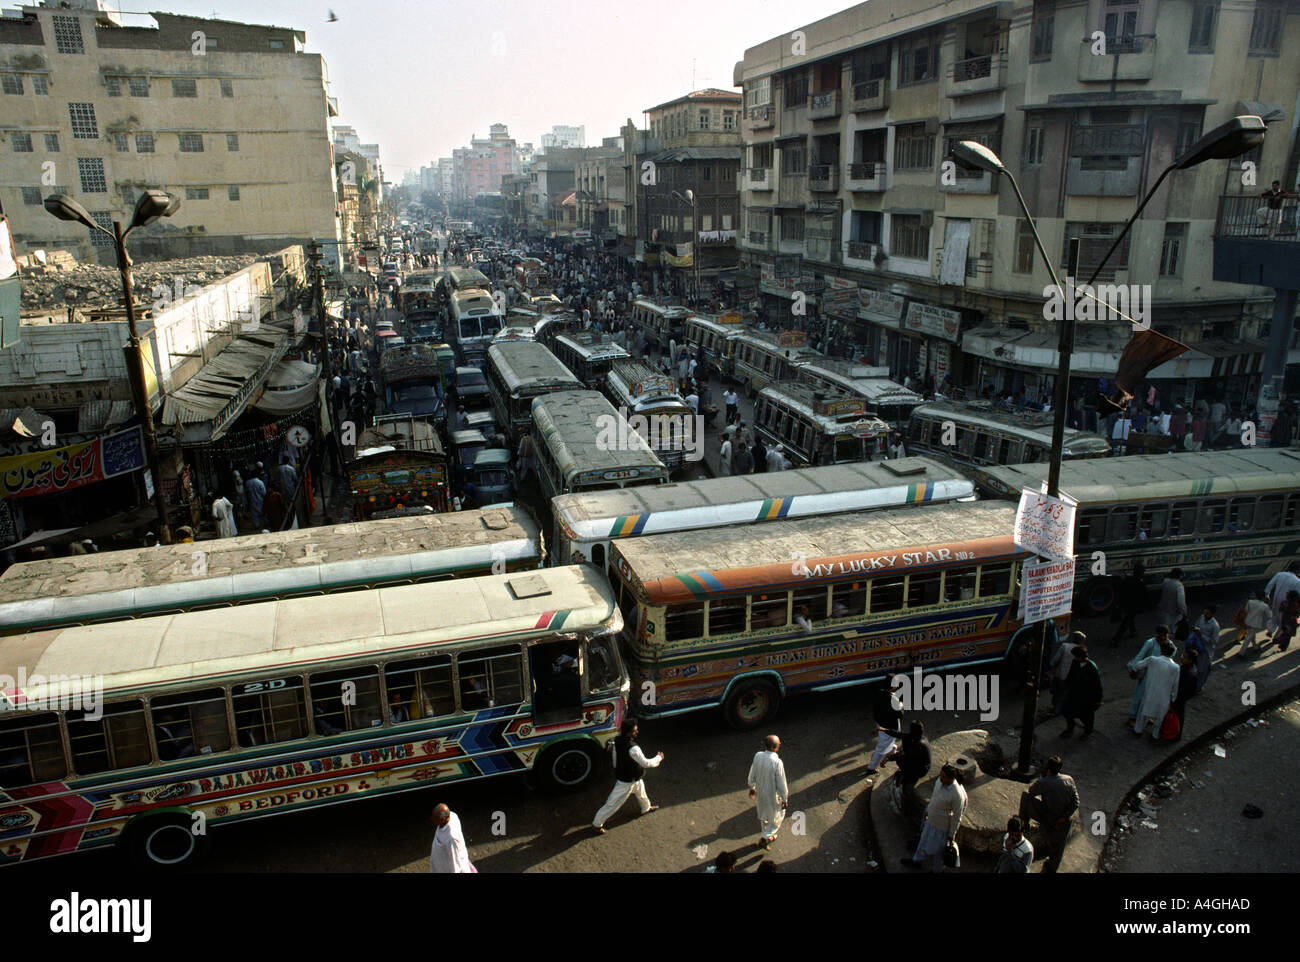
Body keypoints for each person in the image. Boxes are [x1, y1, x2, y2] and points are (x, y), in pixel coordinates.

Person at [592, 718, 663, 834]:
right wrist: (659, 758)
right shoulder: (633, 748)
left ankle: (646, 808)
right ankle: (596, 824)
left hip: (633, 777)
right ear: (629, 733)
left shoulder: (617, 740)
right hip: (627, 780)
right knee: (613, 803)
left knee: (641, 792)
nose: (637, 732)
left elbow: (615, 757)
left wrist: (617, 769)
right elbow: (646, 763)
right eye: (635, 730)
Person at [900, 763, 967, 872]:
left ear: (951, 778)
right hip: (930, 820)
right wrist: (928, 810)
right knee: (923, 841)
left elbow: (957, 816)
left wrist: (951, 834)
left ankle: (937, 870)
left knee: (938, 852)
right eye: (941, 775)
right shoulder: (939, 782)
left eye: (944, 777)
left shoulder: (957, 795)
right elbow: (934, 798)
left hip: (941, 827)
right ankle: (916, 861)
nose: (941, 778)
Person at [1018, 756, 1078, 873]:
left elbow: (1031, 791)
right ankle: (1051, 868)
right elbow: (1076, 803)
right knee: (1058, 849)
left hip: (1048, 816)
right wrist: (1063, 818)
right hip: (1064, 820)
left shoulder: (1044, 782)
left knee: (1025, 796)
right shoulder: (1069, 779)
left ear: (1048, 768)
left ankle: (1024, 824)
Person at [1132, 638, 1181, 739]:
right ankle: (1155, 735)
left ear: (1161, 650)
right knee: (1159, 718)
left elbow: (1138, 666)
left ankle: (1138, 730)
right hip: (1164, 697)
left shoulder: (1152, 660)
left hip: (1150, 692)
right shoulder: (1175, 667)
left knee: (1143, 713)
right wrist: (1173, 698)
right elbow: (1175, 685)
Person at [747, 734, 789, 850]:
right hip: (773, 796)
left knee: (764, 816)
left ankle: (766, 833)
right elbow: (781, 784)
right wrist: (784, 799)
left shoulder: (758, 755)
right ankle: (765, 837)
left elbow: (752, 772)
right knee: (777, 817)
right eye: (779, 744)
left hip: (761, 794)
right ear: (776, 747)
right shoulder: (777, 762)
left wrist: (752, 787)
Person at [1126, 624, 1170, 728]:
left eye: (1165, 635)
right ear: (1157, 634)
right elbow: (1140, 656)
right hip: (1147, 674)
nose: (1163, 638)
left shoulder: (1169, 644)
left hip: (1160, 675)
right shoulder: (1150, 643)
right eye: (1161, 635)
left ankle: (1147, 716)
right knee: (1140, 695)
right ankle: (1132, 716)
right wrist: (1134, 669)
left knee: (1153, 697)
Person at [887, 721, 931, 819]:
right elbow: (901, 735)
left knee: (907, 788)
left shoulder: (920, 745)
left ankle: (907, 809)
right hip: (917, 763)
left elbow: (904, 755)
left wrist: (889, 758)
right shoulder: (918, 738)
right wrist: (883, 730)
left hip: (920, 770)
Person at [1060, 644, 1103, 739]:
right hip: (1074, 694)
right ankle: (1070, 728)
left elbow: (1097, 685)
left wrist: (1098, 700)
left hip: (1086, 697)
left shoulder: (1092, 668)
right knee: (1066, 711)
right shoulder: (1075, 662)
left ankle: (1087, 732)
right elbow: (1070, 676)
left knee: (1087, 716)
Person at [867, 674, 904, 773]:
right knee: (881, 748)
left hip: (880, 723)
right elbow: (900, 714)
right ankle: (871, 767)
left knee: (886, 742)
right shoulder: (893, 699)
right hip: (889, 727)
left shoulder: (879, 693)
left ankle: (891, 749)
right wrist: (901, 705)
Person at [429, 804, 476, 873]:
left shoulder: (451, 838)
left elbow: (454, 863)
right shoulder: (452, 815)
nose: (432, 819)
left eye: (435, 818)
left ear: (443, 819)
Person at [1111, 560, 1147, 647]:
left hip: (1125, 604)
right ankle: (1116, 639)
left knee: (1129, 618)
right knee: (1127, 621)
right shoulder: (1140, 584)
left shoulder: (1127, 580)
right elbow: (1143, 597)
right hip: (1133, 606)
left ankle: (1133, 631)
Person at [1048, 630, 1083, 716]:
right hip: (1069, 677)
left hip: (1059, 674)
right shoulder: (1081, 650)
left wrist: (1051, 667)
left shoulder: (1065, 646)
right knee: (1063, 694)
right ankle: (1057, 710)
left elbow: (1055, 660)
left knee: (1056, 692)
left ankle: (1054, 708)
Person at [1265, 562, 1300, 633]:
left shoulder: (1280, 574)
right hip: (1286, 603)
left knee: (1274, 616)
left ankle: (1270, 630)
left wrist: (1267, 594)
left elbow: (1270, 584)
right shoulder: (1297, 581)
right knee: (1282, 619)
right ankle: (1277, 636)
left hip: (1275, 599)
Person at [1172, 649, 1198, 739]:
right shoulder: (1186, 667)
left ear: (1190, 660)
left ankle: (1176, 734)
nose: (1182, 658)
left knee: (1178, 714)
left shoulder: (1190, 673)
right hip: (1180, 695)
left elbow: (1185, 689)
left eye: (1185, 657)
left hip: (1180, 696)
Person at [1238, 589, 1272, 657]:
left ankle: (1255, 647)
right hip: (1256, 624)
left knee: (1251, 635)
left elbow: (1246, 610)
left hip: (1248, 621)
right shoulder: (1264, 606)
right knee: (1248, 638)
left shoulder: (1250, 602)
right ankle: (1241, 652)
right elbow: (1269, 615)